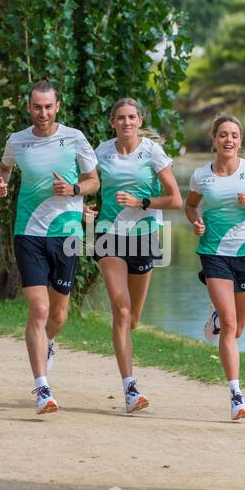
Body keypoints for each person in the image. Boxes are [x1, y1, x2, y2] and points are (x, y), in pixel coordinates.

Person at [0, 79, 98, 414]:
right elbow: (4, 168)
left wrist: (74, 190)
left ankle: (47, 344)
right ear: (29, 107)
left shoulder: (75, 138)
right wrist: (0, 183)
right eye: (36, 107)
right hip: (29, 232)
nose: (42, 113)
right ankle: (42, 388)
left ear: (57, 107)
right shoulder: (17, 141)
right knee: (38, 310)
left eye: (48, 107)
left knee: (58, 315)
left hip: (67, 234)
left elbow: (94, 181)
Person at [184, 114, 245, 421]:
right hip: (214, 253)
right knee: (229, 325)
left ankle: (217, 317)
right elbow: (190, 205)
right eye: (223, 135)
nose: (229, 140)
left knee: (237, 329)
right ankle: (236, 396)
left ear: (240, 141)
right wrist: (196, 222)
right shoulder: (201, 175)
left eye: (234, 136)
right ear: (214, 140)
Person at [89, 98, 182, 413]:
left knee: (134, 319)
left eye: (132, 117)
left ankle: (124, 357)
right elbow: (88, 185)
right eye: (120, 118)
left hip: (144, 237)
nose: (126, 122)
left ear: (140, 121)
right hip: (108, 234)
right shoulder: (101, 152)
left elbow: (175, 199)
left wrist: (142, 202)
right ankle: (130, 388)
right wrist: (82, 208)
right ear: (112, 122)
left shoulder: (153, 153)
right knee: (122, 309)